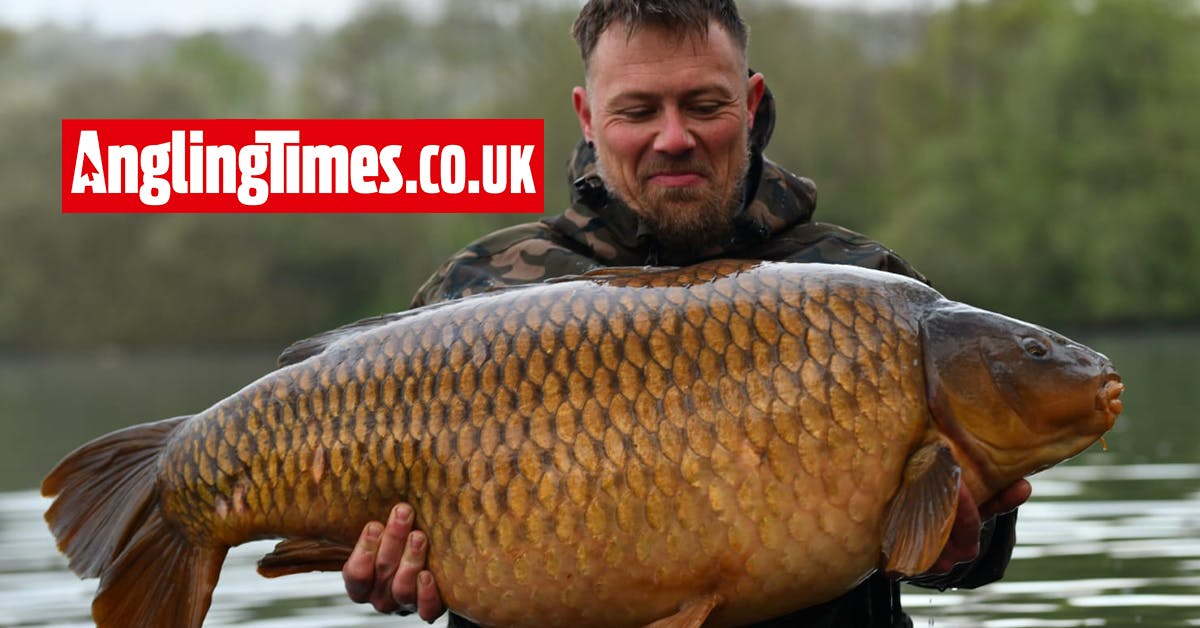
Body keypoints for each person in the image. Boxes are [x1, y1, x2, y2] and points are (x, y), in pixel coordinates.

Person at [341, 1, 1031, 625]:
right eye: (639, 111)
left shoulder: (864, 287)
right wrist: (384, 570)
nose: (673, 137)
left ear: (750, 102)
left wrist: (959, 543)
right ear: (588, 116)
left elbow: (976, 554)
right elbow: (387, 547)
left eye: (704, 105)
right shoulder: (480, 288)